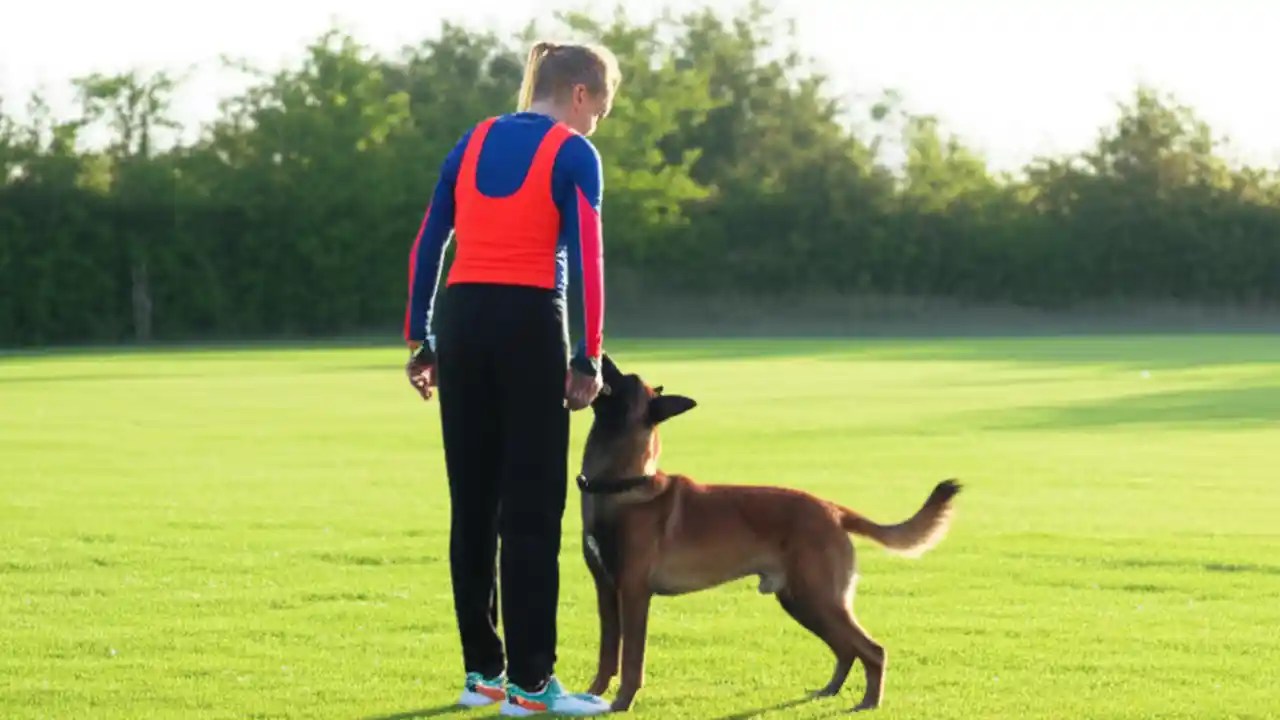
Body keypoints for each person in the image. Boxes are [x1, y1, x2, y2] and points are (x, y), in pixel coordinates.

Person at [401, 40, 620, 717]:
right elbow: (588, 254)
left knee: (472, 507)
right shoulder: (573, 152)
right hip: (529, 323)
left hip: (462, 322)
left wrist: (421, 336)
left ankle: (483, 676)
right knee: (530, 510)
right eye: (600, 111)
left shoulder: (471, 140)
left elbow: (430, 239)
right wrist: (587, 355)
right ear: (579, 94)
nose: (595, 126)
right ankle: (529, 687)